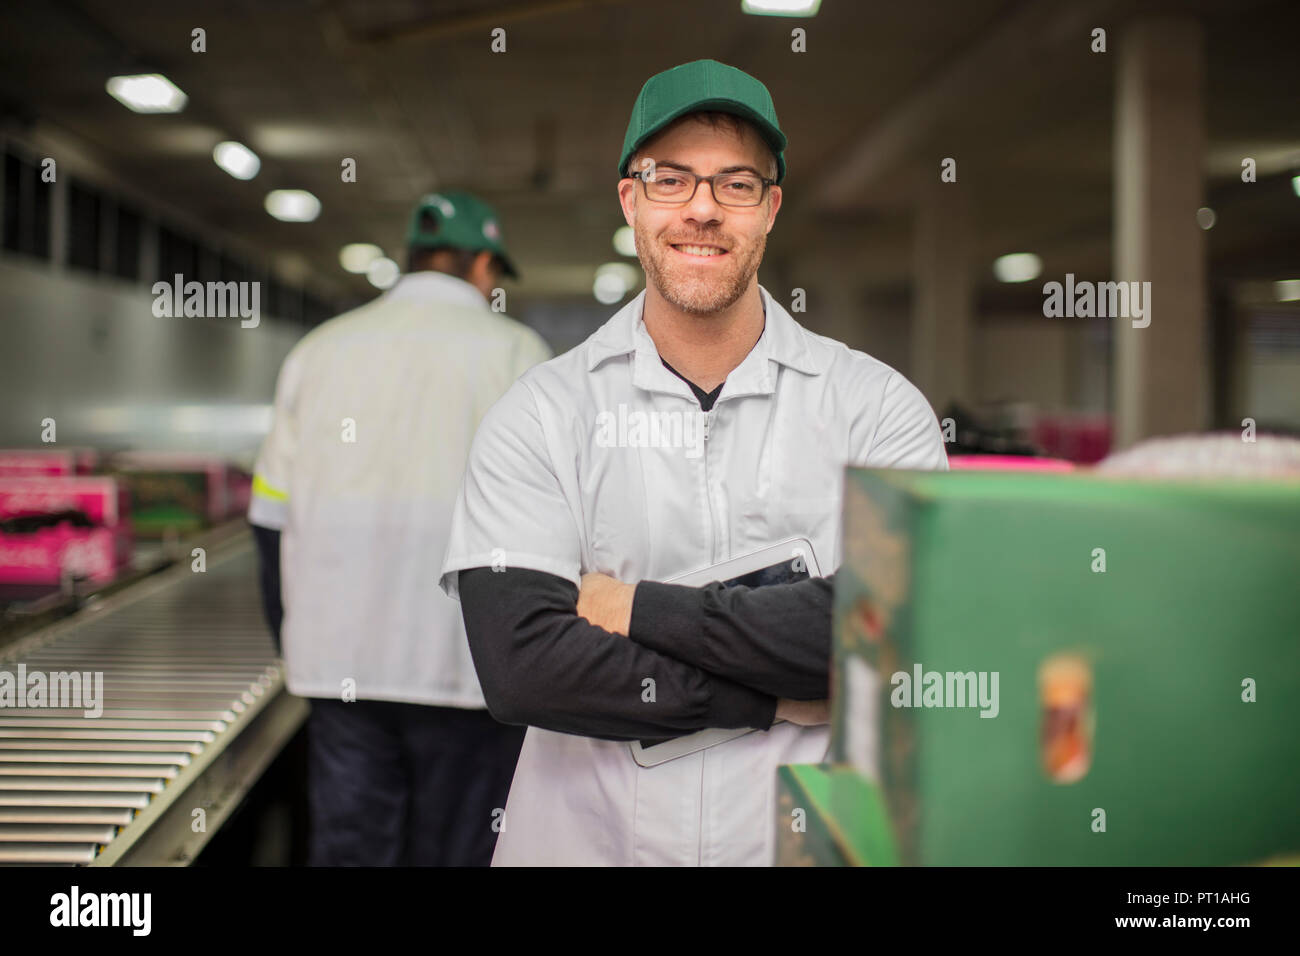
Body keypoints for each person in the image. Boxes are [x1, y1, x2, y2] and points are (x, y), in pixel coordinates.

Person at [439, 59, 947, 866]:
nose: (703, 209)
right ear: (630, 200)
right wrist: (776, 692)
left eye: (736, 184)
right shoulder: (541, 413)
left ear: (771, 208)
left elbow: (892, 640)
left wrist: (635, 608)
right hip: (588, 846)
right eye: (671, 179)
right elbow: (525, 668)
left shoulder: (876, 410)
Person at [248, 191, 552, 865]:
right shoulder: (519, 353)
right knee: (461, 852)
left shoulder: (318, 351)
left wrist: (297, 644)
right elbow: (555, 532)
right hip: (471, 672)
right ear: (481, 268)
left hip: (342, 670)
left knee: (353, 853)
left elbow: (269, 524)